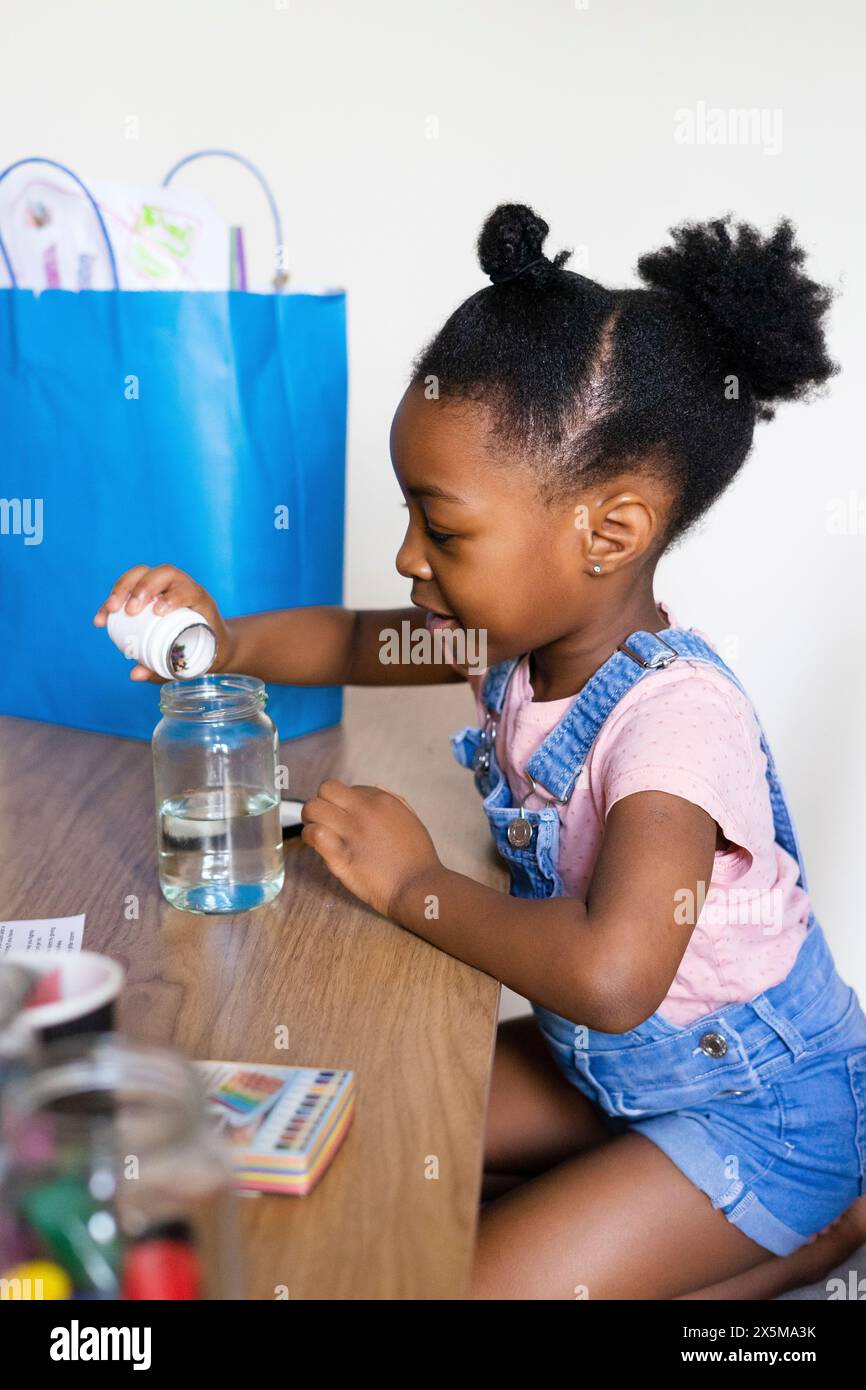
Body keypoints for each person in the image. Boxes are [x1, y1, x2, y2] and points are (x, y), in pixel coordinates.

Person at [93, 203, 866, 1300]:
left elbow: (610, 975)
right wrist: (222, 641)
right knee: (361, 1144)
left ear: (608, 532)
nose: (408, 554)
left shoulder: (674, 720)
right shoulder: (502, 643)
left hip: (759, 1107)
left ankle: (820, 1234)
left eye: (441, 529)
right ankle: (640, 1191)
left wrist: (415, 885)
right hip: (616, 1075)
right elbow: (357, 639)